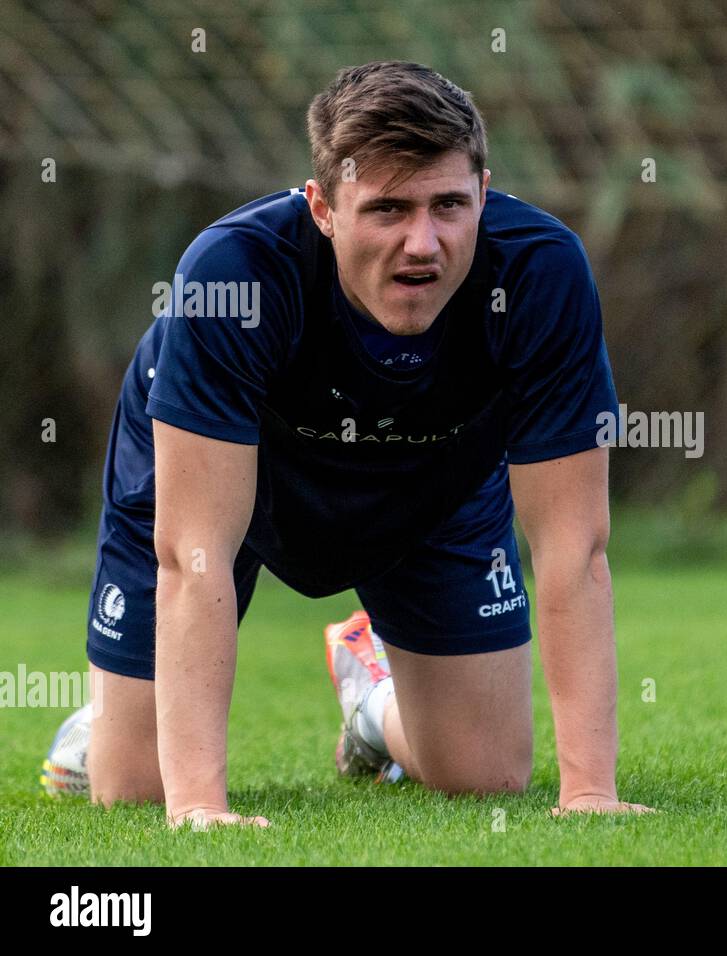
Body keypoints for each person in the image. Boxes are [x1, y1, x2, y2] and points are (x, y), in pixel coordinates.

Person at [40, 61, 654, 827]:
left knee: (486, 773)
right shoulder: (231, 275)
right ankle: (109, 721)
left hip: (434, 480)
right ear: (324, 207)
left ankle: (370, 701)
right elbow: (191, 554)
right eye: (388, 208)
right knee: (135, 787)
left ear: (484, 195)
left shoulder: (541, 275)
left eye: (449, 205)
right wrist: (199, 807)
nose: (422, 242)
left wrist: (590, 792)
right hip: (238, 475)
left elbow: (574, 547)